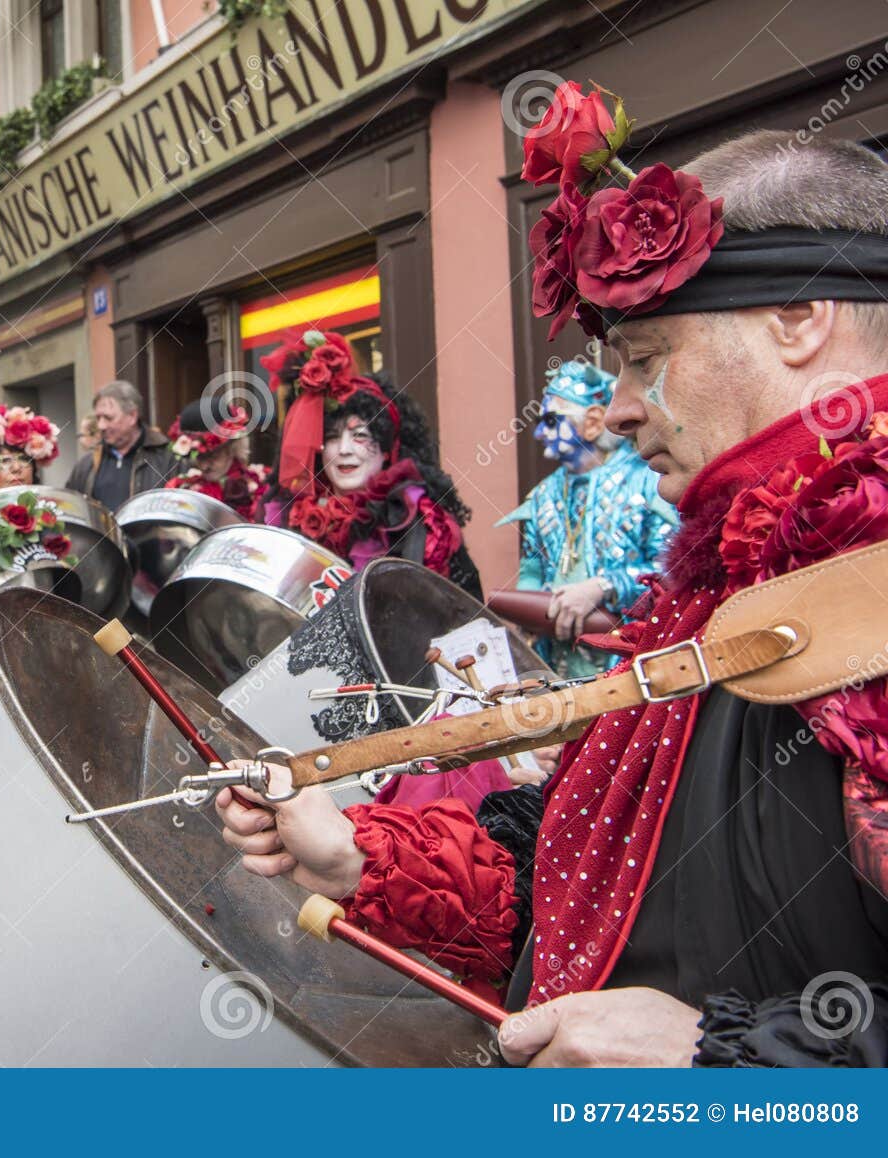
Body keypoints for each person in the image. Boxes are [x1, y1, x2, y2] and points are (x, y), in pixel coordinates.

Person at [216, 122, 888, 1066]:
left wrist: (720, 1059)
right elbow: (584, 885)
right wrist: (366, 857)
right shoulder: (720, 581)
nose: (616, 406)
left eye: (647, 357)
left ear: (799, 320)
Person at [254, 332, 481, 597]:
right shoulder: (290, 517)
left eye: (360, 435)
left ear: (387, 449)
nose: (345, 451)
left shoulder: (421, 522)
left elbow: (460, 613)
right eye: (331, 438)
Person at [498, 359, 678, 677]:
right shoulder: (542, 496)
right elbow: (531, 570)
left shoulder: (647, 482)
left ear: (593, 422)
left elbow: (673, 570)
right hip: (555, 664)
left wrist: (603, 587)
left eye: (552, 421)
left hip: (630, 663)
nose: (539, 433)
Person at [64, 380, 177, 507]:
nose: (101, 426)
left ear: (132, 416)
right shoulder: (85, 466)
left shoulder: (168, 459)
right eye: (98, 418)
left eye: (108, 418)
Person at [162, 399, 268, 517]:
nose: (204, 466)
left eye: (213, 456)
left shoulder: (262, 486)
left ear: (233, 448)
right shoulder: (182, 490)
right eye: (199, 457)